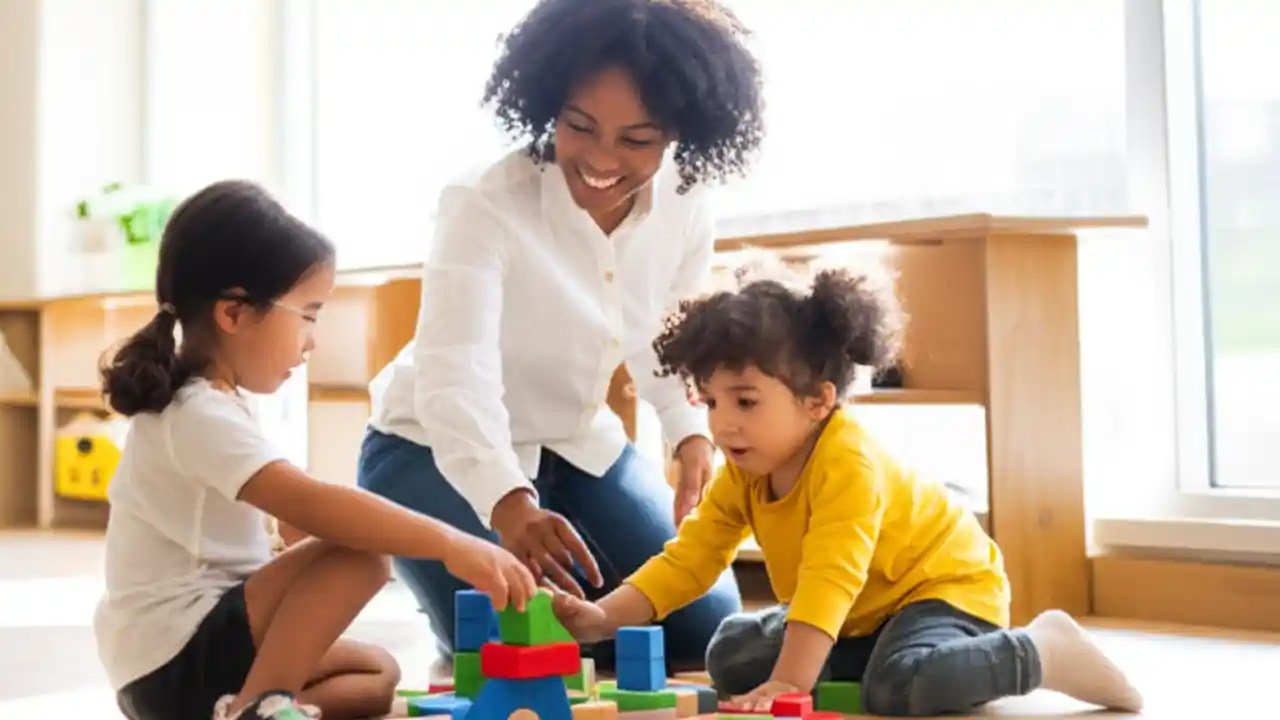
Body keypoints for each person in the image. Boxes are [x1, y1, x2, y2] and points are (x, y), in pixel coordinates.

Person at [358, 0, 765, 673]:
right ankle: (448, 599)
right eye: (580, 126)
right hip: (429, 447)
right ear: (547, 102)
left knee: (705, 629)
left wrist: (687, 430)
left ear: (677, 133)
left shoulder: (688, 205)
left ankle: (570, 597)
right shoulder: (483, 202)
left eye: (636, 139)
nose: (602, 158)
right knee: (516, 644)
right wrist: (510, 502)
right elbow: (454, 378)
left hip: (576, 446)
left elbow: (666, 337)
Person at [550, 262, 1146, 716]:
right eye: (710, 401)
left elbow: (832, 575)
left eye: (746, 401)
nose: (723, 423)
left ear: (818, 400)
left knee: (898, 686)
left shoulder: (847, 462)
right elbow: (690, 559)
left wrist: (789, 683)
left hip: (940, 591)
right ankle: (855, 660)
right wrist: (604, 617)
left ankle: (1040, 649)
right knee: (729, 654)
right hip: (864, 613)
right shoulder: (745, 470)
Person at [94, 180, 537, 720]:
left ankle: (243, 707)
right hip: (176, 657)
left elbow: (291, 528)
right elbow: (309, 503)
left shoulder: (215, 403)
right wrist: (452, 544)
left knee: (378, 677)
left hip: (175, 665)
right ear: (233, 314)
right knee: (363, 549)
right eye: (307, 314)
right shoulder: (197, 413)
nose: (313, 339)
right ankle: (259, 707)